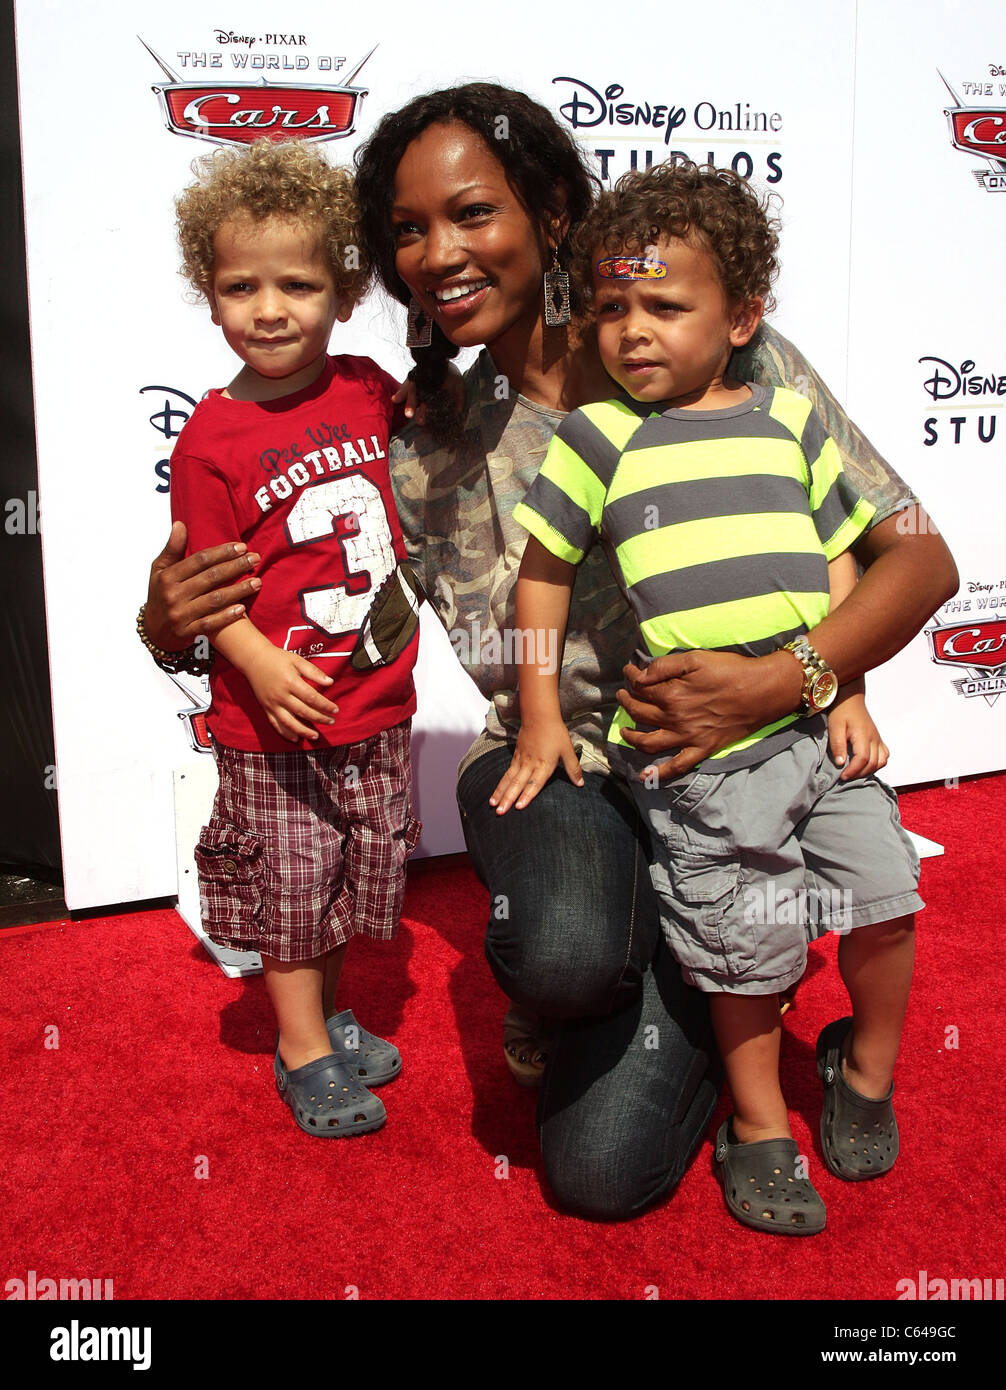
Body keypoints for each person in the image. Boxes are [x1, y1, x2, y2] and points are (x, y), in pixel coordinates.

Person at [140, 84, 958, 1217]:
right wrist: (168, 617)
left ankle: (719, 962)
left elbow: (917, 559)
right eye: (408, 231)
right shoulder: (410, 431)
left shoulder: (726, 353)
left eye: (471, 214)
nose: (438, 253)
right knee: (569, 962)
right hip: (554, 760)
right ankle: (650, 955)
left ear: (554, 210)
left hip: (745, 752)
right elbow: (282, 579)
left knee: (598, 1173)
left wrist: (785, 681)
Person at [495, 162, 924, 1234]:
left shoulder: (791, 419)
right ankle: (757, 1119)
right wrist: (542, 712)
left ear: (741, 316)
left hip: (816, 734)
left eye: (664, 305)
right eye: (611, 308)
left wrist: (846, 690)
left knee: (885, 898)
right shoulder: (597, 438)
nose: (632, 330)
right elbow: (539, 574)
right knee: (750, 944)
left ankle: (862, 1072)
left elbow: (841, 558)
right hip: (700, 760)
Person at [164, 139, 421, 1138]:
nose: (269, 309)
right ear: (208, 290)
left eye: (299, 283)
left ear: (346, 291)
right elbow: (204, 588)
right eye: (241, 285)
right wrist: (263, 664)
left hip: (374, 705)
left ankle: (331, 1008)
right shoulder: (212, 439)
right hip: (271, 723)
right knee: (291, 888)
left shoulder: (368, 386)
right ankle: (302, 1045)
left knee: (349, 879)